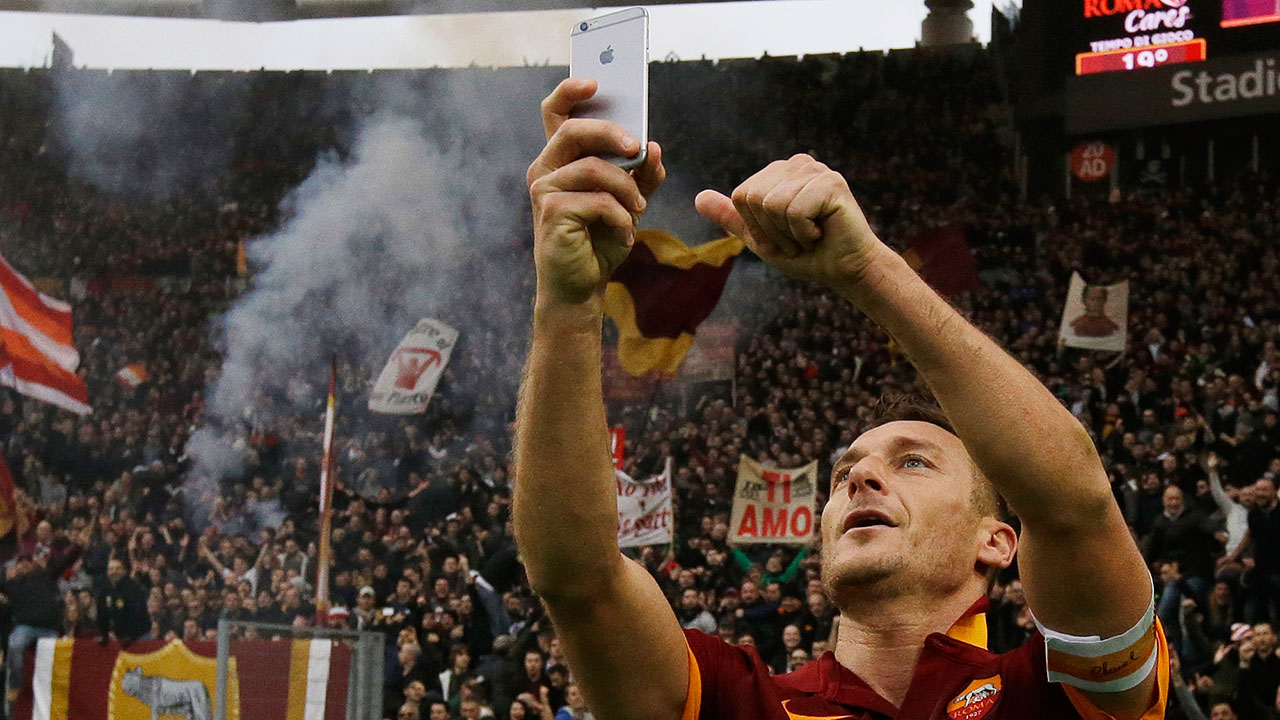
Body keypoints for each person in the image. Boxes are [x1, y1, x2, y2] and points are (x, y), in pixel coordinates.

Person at [513, 77, 1168, 720]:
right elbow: (579, 581)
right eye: (842, 473)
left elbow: (1074, 505)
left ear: (996, 543)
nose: (860, 479)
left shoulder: (1063, 696)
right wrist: (568, 300)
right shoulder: (737, 701)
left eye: (914, 462)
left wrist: (868, 268)